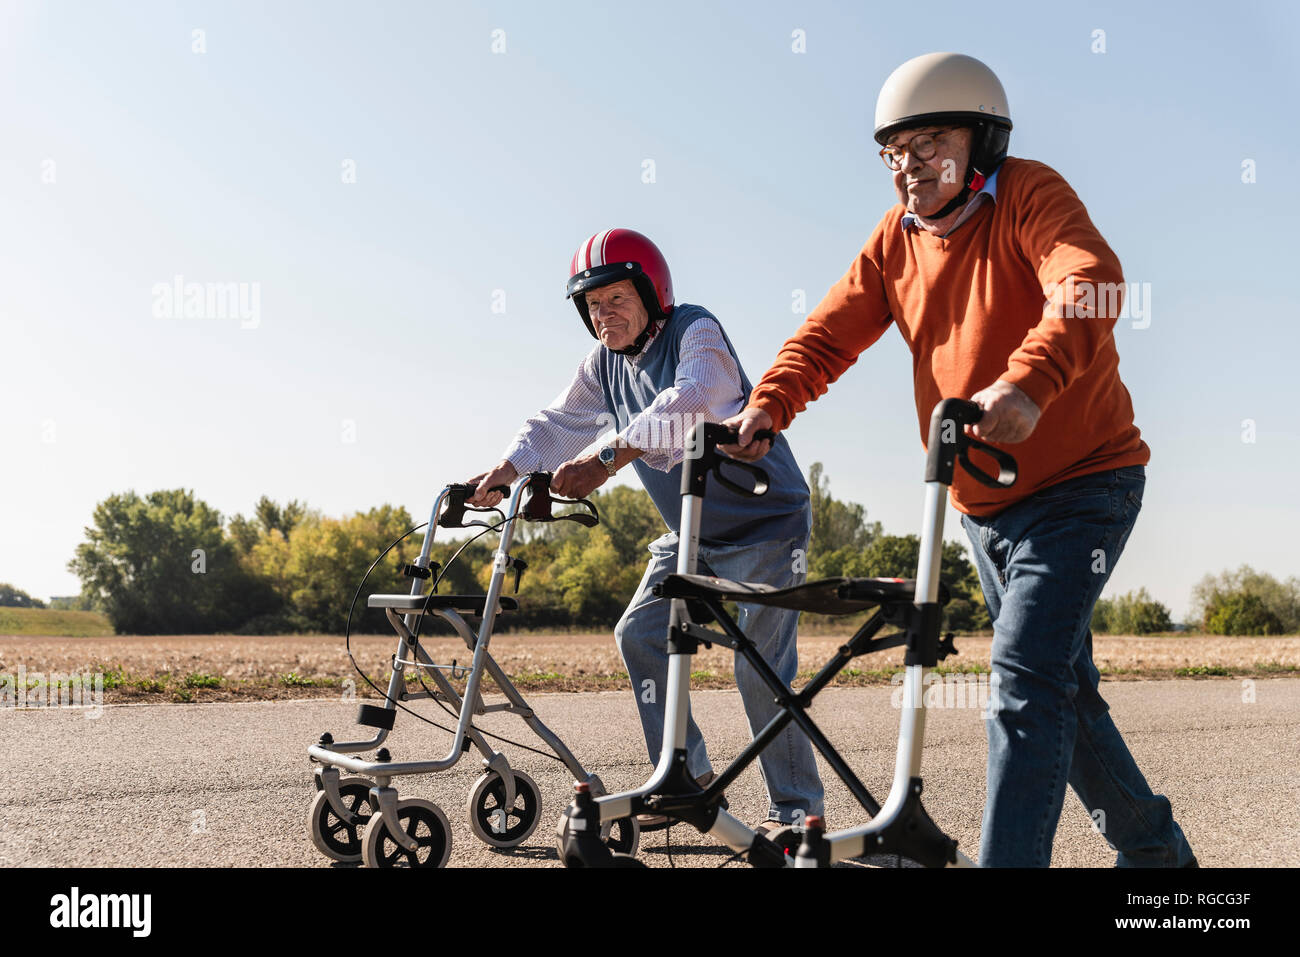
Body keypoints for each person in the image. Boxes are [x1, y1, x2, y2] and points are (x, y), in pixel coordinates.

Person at [722, 53, 1196, 867]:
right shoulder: (895, 242)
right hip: (980, 504)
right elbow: (829, 334)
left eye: (930, 142)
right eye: (893, 151)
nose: (909, 166)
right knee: (1058, 690)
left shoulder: (1029, 195)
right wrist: (770, 402)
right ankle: (1159, 861)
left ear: (982, 140)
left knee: (1020, 679)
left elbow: (1092, 281)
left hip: (1085, 483)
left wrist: (1028, 381)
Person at [468, 228, 824, 831]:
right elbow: (559, 423)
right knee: (639, 634)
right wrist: (507, 468)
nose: (603, 315)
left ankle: (795, 813)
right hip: (691, 535)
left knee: (759, 668)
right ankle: (688, 779)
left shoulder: (695, 329)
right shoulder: (604, 364)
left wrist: (608, 458)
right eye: (592, 305)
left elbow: (693, 399)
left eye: (616, 299)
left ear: (651, 292)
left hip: (765, 526)